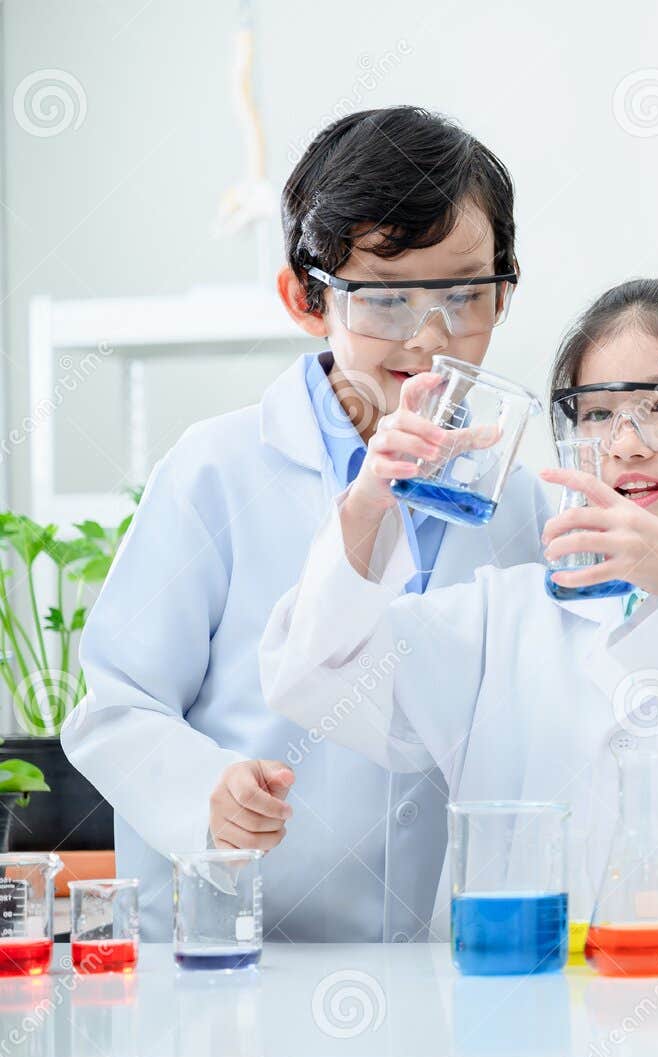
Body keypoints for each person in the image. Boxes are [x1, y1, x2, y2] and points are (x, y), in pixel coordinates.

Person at [260, 276, 658, 931]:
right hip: (514, 1004)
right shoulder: (503, 616)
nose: (626, 445)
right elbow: (313, 674)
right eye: (596, 412)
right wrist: (370, 499)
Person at [62, 107, 551, 942]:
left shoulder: (523, 504)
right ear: (305, 297)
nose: (431, 337)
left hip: (436, 955)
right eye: (386, 298)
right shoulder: (215, 471)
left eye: (465, 294)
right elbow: (115, 704)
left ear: (504, 292)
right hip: (235, 944)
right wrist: (207, 791)